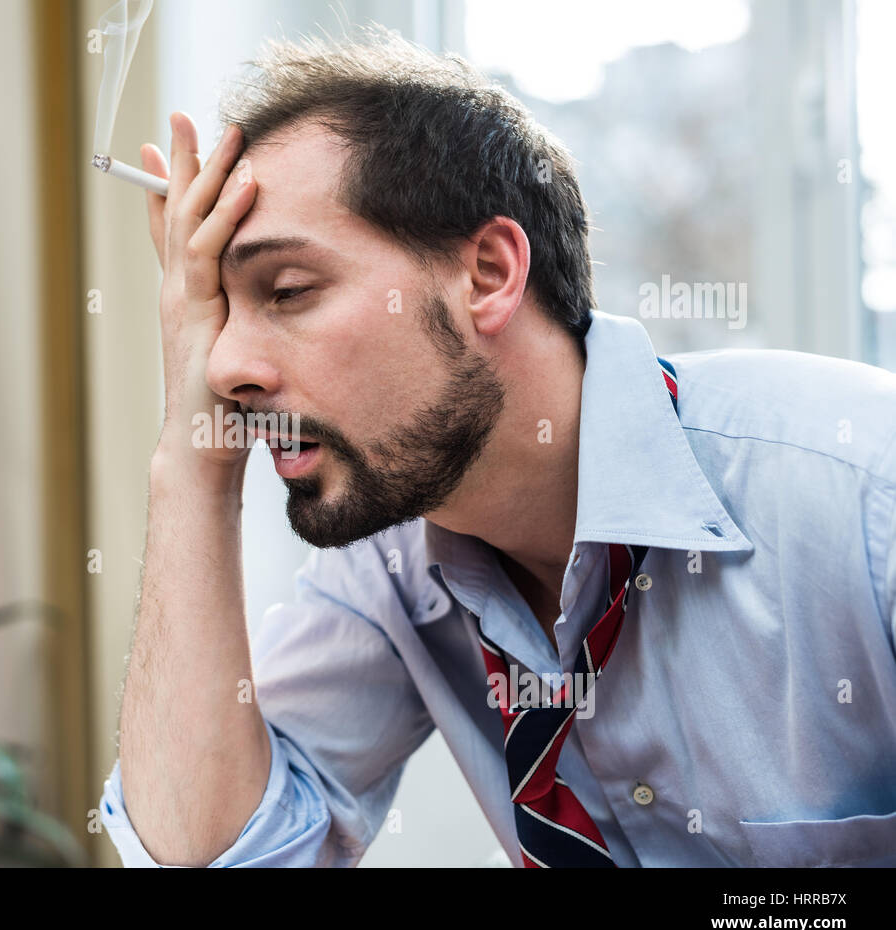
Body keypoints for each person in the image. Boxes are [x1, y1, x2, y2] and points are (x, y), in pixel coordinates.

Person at [98, 25, 896, 867]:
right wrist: (195, 461)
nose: (225, 365)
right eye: (217, 315)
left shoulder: (863, 491)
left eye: (288, 289)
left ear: (487, 274)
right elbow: (213, 859)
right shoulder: (393, 563)